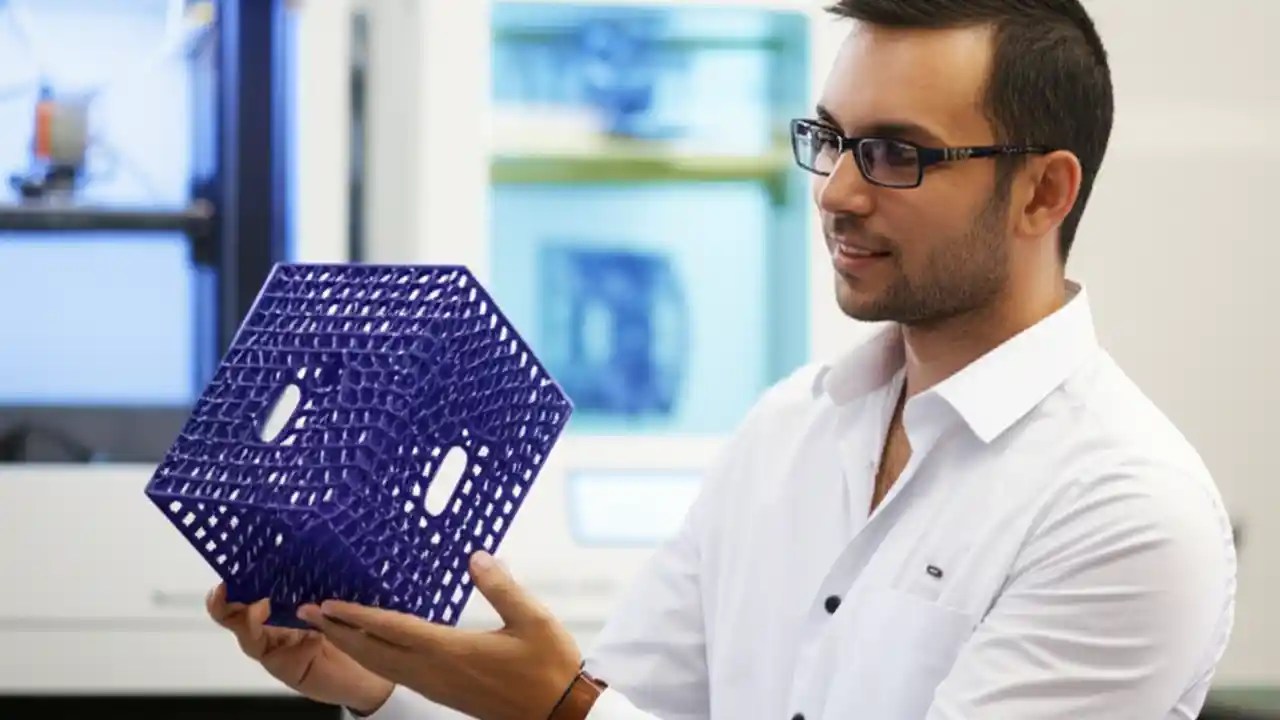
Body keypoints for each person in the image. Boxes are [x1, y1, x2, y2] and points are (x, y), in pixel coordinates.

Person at [208, 0, 1237, 718]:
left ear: (1041, 194)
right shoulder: (791, 429)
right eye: (828, 140)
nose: (834, 191)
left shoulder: (1125, 510)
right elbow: (630, 709)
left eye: (894, 153)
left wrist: (563, 705)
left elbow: (587, 715)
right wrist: (378, 688)